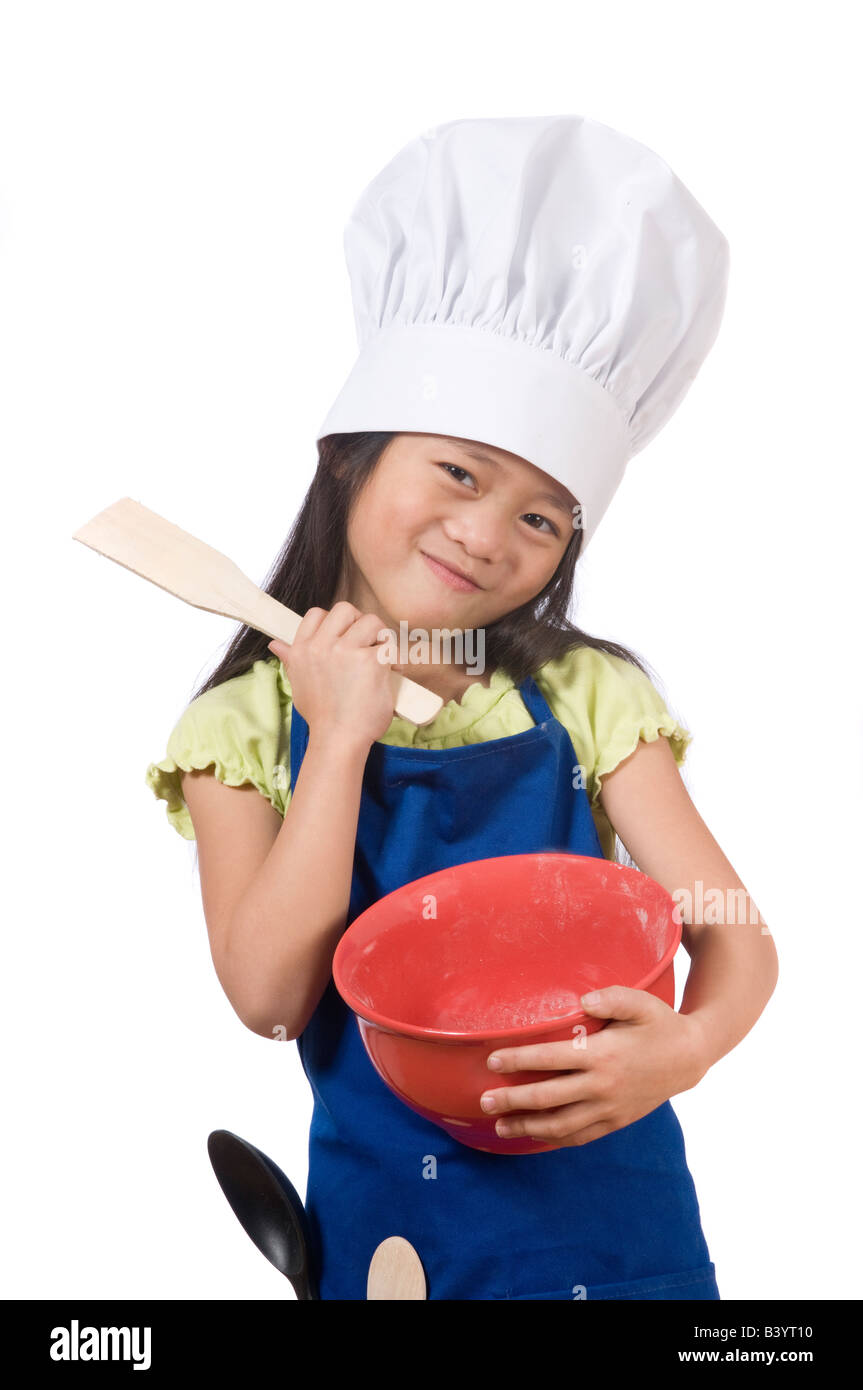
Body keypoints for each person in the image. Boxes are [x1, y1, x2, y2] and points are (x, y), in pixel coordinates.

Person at [145, 116, 778, 1300]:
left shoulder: (588, 698)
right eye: (457, 471)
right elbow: (270, 996)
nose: (485, 535)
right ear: (348, 457)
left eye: (541, 516)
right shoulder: (238, 728)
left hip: (621, 1227)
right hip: (402, 1243)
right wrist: (338, 735)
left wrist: (685, 1045)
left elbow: (722, 920)